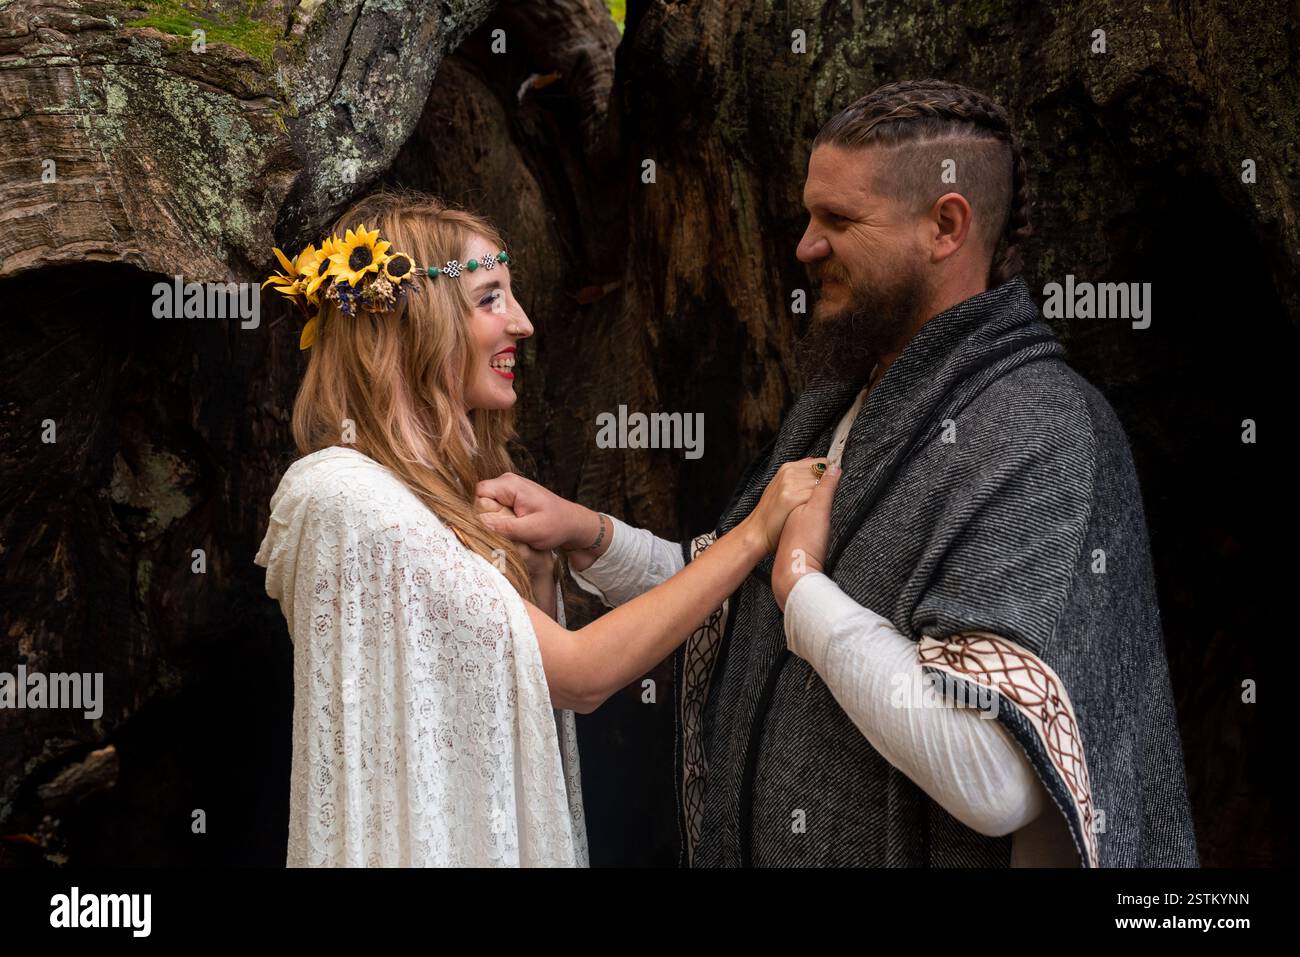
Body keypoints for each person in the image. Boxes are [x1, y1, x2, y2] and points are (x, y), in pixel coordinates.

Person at [477, 80, 1199, 867]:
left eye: (840, 221)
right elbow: (726, 598)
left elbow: (994, 775)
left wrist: (803, 585)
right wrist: (591, 534)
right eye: (809, 215)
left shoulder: (1046, 431)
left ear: (945, 226)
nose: (804, 247)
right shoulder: (835, 407)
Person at [253, 188, 828, 867]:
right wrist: (757, 533)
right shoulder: (348, 495)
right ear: (414, 320)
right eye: (491, 297)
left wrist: (555, 554)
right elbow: (580, 674)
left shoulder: (419, 502)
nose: (523, 324)